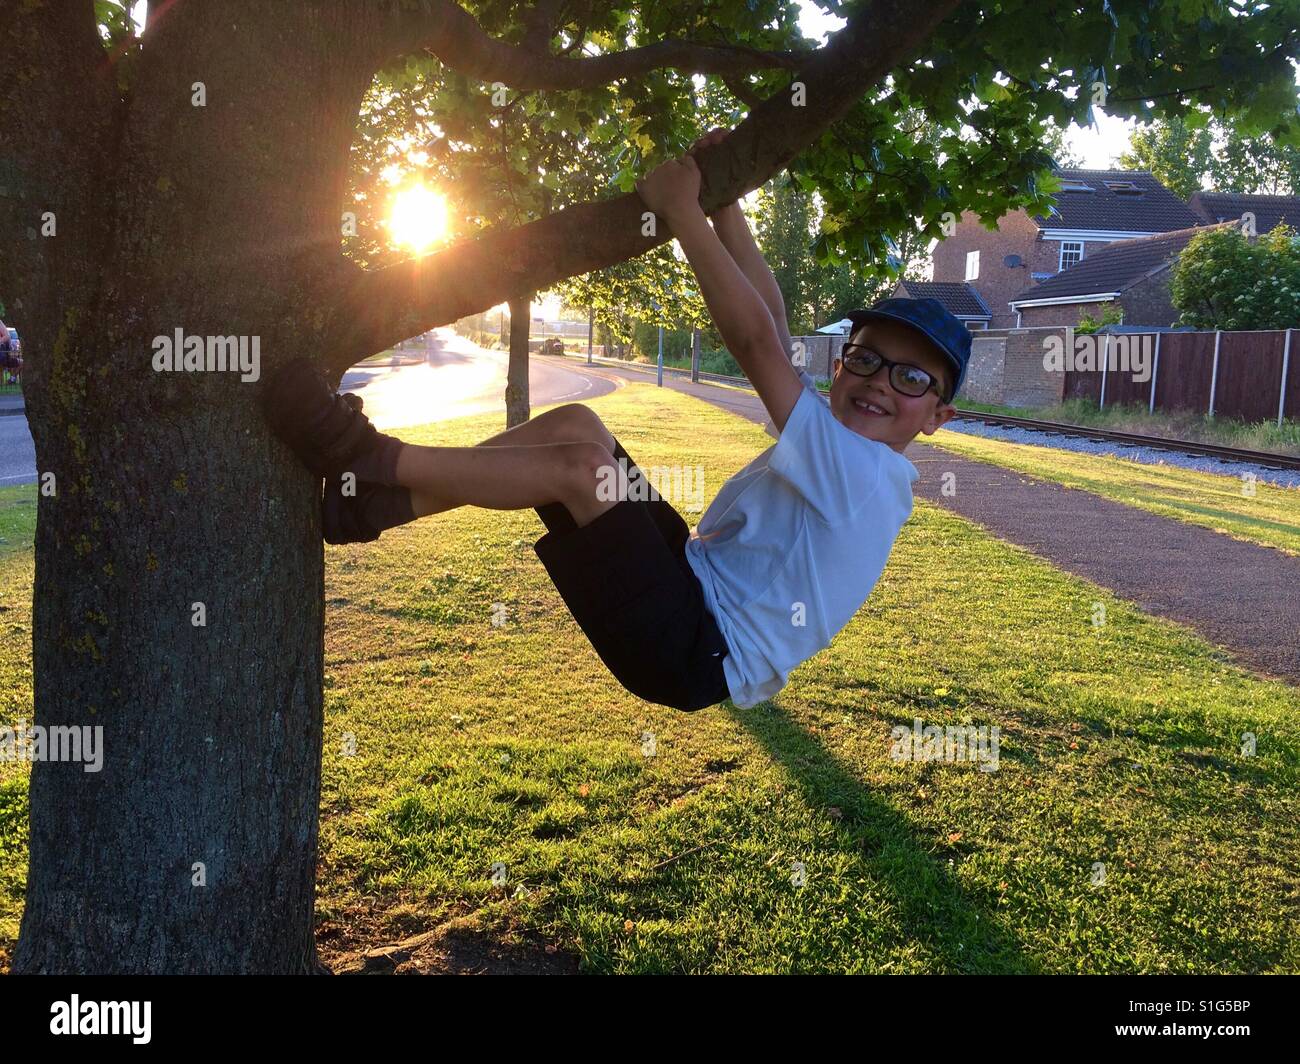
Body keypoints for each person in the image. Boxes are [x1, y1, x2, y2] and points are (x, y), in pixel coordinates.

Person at [262, 129, 967, 712]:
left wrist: (683, 213)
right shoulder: (844, 441)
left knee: (583, 472)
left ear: (938, 415)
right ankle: (374, 509)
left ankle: (364, 454)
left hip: (695, 648)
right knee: (575, 425)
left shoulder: (867, 474)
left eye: (911, 379)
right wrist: (725, 208)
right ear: (844, 364)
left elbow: (755, 346)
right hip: (688, 574)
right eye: (868, 359)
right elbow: (775, 323)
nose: (879, 384)